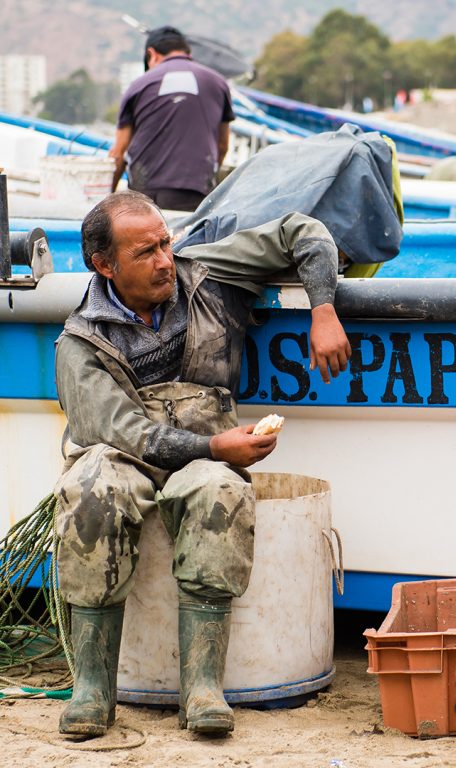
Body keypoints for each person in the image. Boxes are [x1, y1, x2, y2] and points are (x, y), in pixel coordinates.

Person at [54, 191, 351, 738]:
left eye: (166, 242)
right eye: (145, 252)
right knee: (94, 489)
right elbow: (127, 435)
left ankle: (203, 688)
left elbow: (302, 231)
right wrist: (219, 448)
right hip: (126, 457)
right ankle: (93, 690)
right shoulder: (79, 344)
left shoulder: (208, 274)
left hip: (208, 455)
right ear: (104, 265)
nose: (166, 260)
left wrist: (323, 308)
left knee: (218, 490)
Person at [109, 26, 235, 212]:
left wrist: (107, 199)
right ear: (186, 51)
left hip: (145, 195)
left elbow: (119, 153)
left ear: (151, 54)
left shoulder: (138, 85)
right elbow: (223, 145)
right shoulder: (218, 82)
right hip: (197, 191)